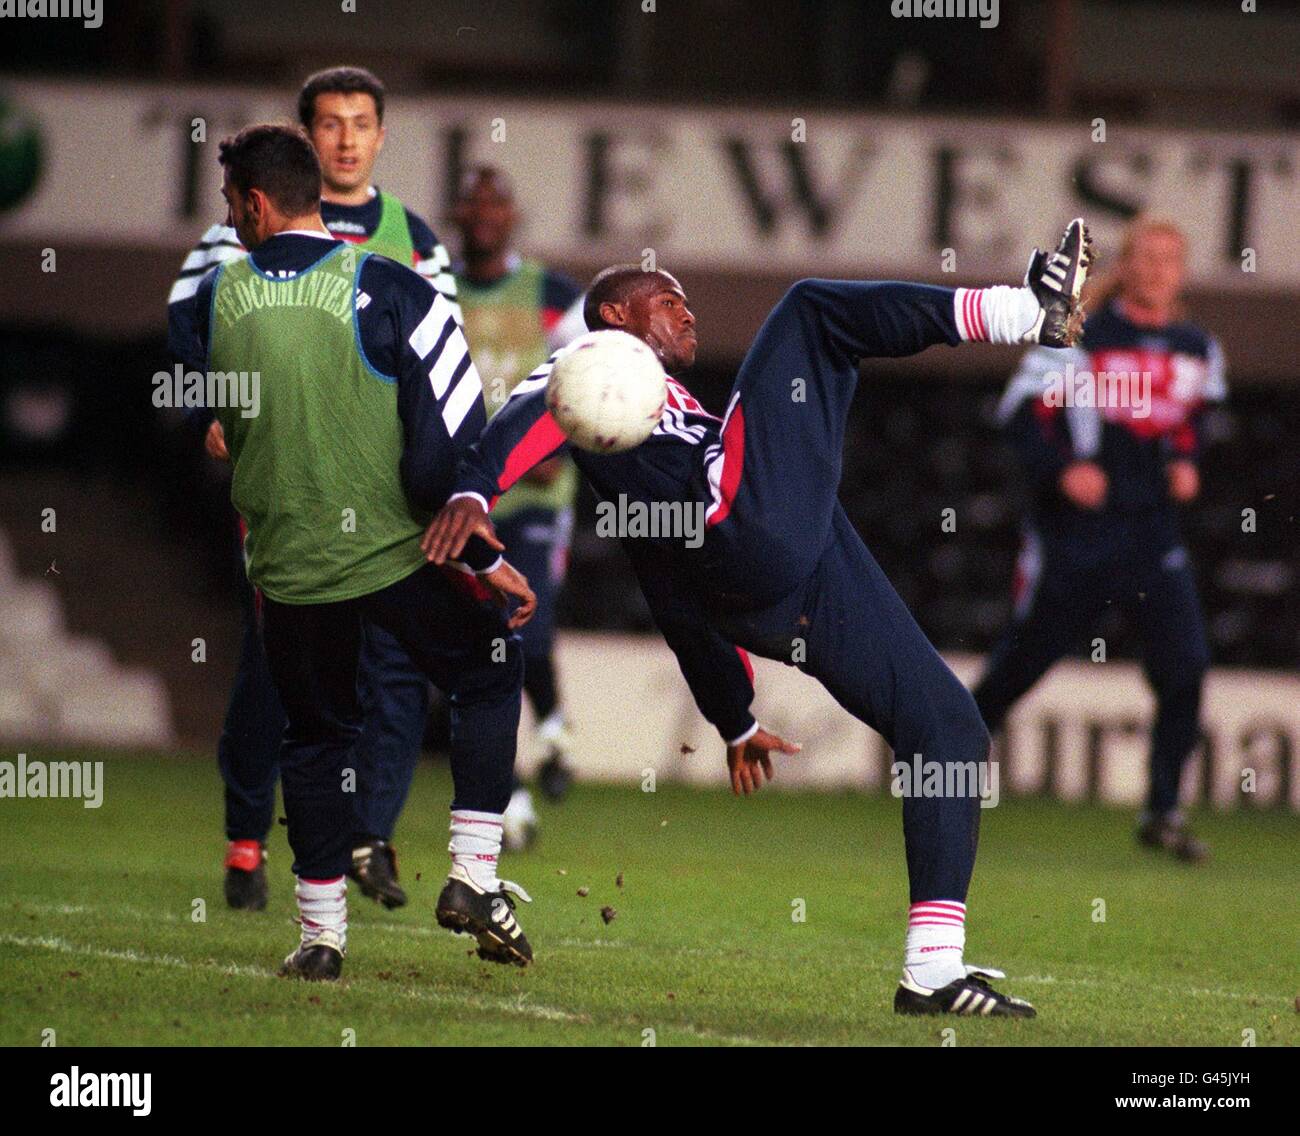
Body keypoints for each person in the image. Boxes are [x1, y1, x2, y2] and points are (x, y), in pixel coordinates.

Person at [426, 220, 1095, 1017]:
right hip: (746, 528)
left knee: (949, 730)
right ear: (613, 319)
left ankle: (933, 971)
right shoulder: (590, 363)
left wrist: (735, 718)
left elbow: (677, 602)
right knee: (810, 311)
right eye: (667, 301)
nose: (688, 315)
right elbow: (535, 412)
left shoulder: (655, 449)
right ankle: (1026, 312)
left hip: (778, 578)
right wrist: (476, 489)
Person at [192, 123, 537, 979]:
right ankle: (473, 878)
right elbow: (447, 446)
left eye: (233, 205)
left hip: (287, 572)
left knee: (314, 740)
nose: (233, 220)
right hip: (399, 553)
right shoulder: (393, 288)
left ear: (259, 205)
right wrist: (478, 548)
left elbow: (232, 436)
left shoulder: (222, 300)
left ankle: (319, 939)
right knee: (491, 666)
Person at [168, 66, 455, 911]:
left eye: (360, 123)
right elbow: (188, 333)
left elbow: (441, 355)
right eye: (327, 123)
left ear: (379, 135)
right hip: (290, 486)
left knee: (397, 672)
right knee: (276, 674)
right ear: (305, 136)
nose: (344, 138)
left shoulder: (414, 239)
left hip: (383, 496)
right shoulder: (237, 236)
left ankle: (368, 836)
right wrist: (212, 409)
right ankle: (249, 837)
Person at [973, 216, 1224, 862]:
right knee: (1025, 659)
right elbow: (1019, 417)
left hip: (1153, 535)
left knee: (1187, 665)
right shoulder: (1078, 335)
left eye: (1172, 259)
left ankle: (1163, 808)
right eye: (1148, 257)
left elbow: (1192, 423)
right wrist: (1065, 469)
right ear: (1129, 264)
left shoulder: (1198, 348)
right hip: (1079, 536)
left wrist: (1188, 462)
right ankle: (945, 758)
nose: (1158, 269)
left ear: (1182, 270)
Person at [451, 165, 586, 848]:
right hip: (462, 503)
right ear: (456, 213)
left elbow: (597, 375)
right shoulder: (434, 291)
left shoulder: (551, 294)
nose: (483, 213)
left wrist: (566, 438)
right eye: (473, 203)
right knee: (474, 650)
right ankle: (513, 793)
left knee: (524, 628)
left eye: (495, 203)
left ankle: (555, 732)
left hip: (534, 494)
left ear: (512, 217)